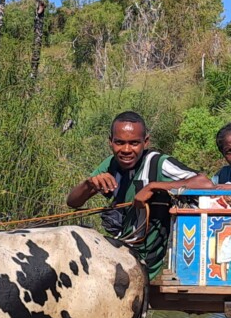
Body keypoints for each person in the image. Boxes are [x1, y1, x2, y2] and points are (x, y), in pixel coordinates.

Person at [66, 111, 213, 279]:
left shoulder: (157, 163)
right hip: (120, 252)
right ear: (110, 142)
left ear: (146, 142)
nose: (126, 150)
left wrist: (154, 186)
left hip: (147, 260)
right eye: (119, 143)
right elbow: (73, 202)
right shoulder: (110, 165)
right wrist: (90, 183)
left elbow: (205, 183)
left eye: (134, 143)